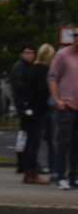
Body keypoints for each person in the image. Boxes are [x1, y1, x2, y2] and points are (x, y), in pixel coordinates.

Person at [47, 39, 78, 190]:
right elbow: (52, 77)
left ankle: (74, 177)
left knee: (76, 144)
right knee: (64, 141)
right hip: (66, 104)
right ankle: (61, 177)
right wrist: (56, 99)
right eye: (76, 35)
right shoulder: (62, 55)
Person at [22, 44, 52, 184]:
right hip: (38, 111)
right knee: (34, 142)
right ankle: (32, 173)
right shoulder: (42, 71)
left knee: (30, 142)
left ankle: (28, 172)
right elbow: (42, 92)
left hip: (30, 110)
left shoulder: (32, 70)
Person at [10, 44, 36, 174]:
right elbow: (20, 86)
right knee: (25, 133)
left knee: (26, 133)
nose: (30, 55)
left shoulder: (26, 67)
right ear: (21, 54)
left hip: (25, 104)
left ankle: (25, 162)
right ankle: (23, 163)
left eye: (32, 53)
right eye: (27, 53)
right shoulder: (20, 68)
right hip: (25, 105)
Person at [36, 44, 58, 182]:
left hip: (47, 109)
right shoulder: (48, 71)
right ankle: (56, 171)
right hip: (52, 108)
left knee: (52, 142)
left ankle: (54, 171)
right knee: (55, 142)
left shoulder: (36, 69)